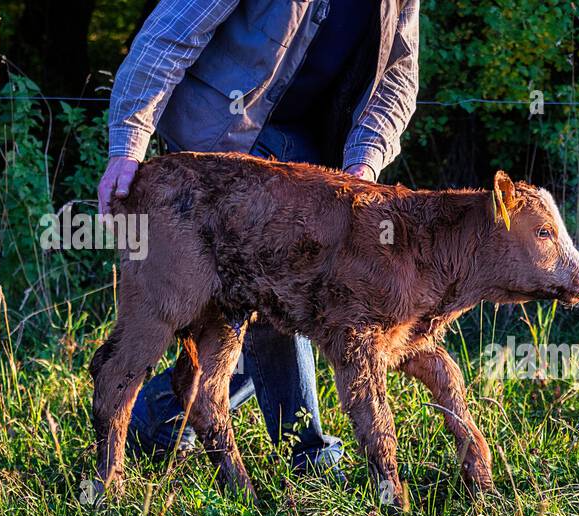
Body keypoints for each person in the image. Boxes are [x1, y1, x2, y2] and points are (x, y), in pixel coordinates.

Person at [97, 0, 419, 475]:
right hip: (221, 137)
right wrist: (128, 143)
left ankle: (161, 415)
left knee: (239, 308)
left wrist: (362, 166)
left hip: (311, 155)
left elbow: (398, 79)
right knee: (275, 286)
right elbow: (168, 34)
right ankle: (308, 451)